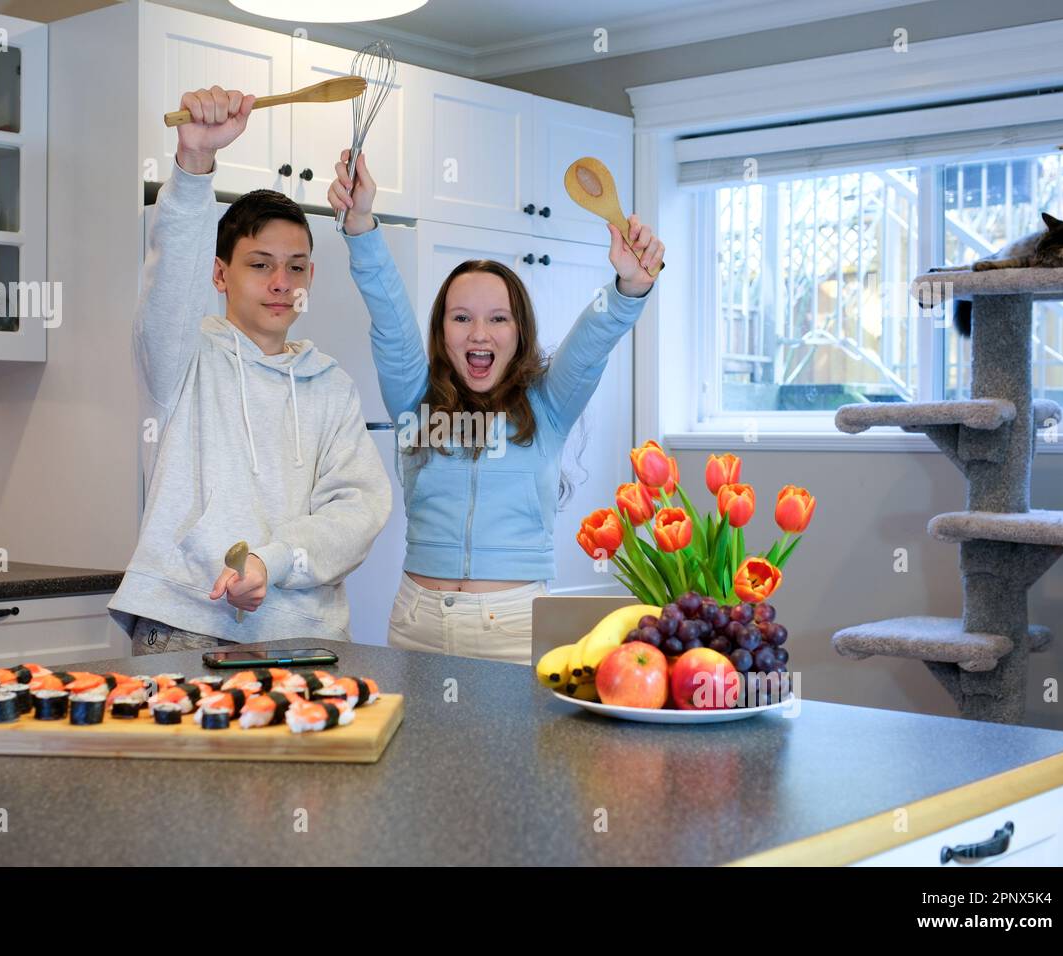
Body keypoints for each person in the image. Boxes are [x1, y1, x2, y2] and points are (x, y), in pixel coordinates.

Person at [328, 149, 663, 665]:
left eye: (498, 319)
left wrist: (629, 288)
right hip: (416, 620)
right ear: (442, 330)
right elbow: (389, 314)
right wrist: (362, 227)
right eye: (461, 317)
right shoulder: (415, 400)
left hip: (513, 627)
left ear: (519, 330)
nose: (479, 333)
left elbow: (593, 339)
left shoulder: (549, 404)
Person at [107, 88, 391, 654]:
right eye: (260, 265)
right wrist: (194, 165)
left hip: (311, 636)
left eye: (296, 267)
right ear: (219, 274)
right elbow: (170, 289)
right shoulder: (182, 362)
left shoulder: (330, 385)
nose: (281, 283)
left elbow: (358, 509)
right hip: (188, 624)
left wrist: (273, 559)